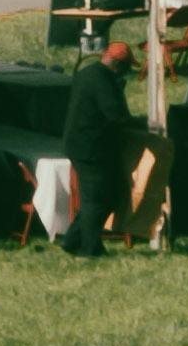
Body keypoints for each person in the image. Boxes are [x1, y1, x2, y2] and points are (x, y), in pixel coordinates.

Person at [58, 40, 140, 263]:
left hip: (79, 143)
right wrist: (138, 123)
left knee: (100, 197)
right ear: (118, 64)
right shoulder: (103, 81)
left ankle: (73, 240)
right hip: (91, 147)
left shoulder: (88, 73)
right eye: (125, 67)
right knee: (99, 199)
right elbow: (113, 114)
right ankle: (90, 249)